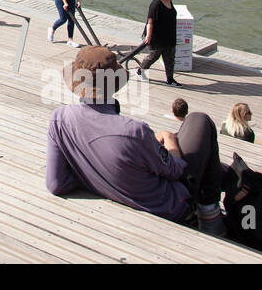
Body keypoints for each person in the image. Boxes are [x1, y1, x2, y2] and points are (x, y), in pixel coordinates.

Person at [46, 45, 224, 234]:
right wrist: (168, 138)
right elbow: (177, 170)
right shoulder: (134, 131)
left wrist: (90, 172)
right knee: (199, 121)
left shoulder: (59, 119)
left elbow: (55, 184)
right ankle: (210, 216)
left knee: (188, 143)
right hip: (170, 206)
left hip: (124, 190)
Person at [137, 0, 180, 85]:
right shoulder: (156, 4)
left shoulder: (169, 2)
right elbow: (150, 21)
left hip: (169, 37)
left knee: (170, 58)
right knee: (153, 56)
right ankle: (140, 70)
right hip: (157, 37)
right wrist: (148, 35)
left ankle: (170, 79)